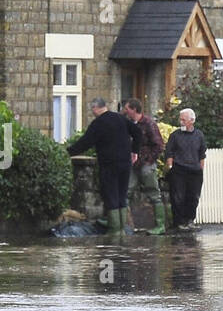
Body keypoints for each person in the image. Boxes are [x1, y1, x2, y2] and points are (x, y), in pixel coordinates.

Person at [67, 97, 140, 233]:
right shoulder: (120, 118)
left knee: (111, 195)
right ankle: (122, 231)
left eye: (92, 109)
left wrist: (67, 153)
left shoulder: (98, 124)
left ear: (95, 108)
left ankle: (114, 231)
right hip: (125, 163)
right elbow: (137, 132)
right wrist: (134, 151)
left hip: (109, 164)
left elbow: (84, 143)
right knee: (122, 195)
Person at [123, 98, 166, 234]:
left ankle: (160, 226)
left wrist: (149, 159)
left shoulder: (148, 124)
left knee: (153, 193)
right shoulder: (129, 123)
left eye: (127, 108)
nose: (125, 111)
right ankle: (123, 223)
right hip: (133, 163)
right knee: (126, 191)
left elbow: (159, 145)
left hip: (146, 163)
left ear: (134, 110)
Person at [164, 108, 207, 229]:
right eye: (180, 119)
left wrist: (200, 169)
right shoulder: (175, 135)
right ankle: (179, 222)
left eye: (184, 120)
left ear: (192, 121)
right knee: (178, 197)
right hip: (178, 170)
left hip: (195, 171)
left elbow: (202, 154)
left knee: (193, 197)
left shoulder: (199, 135)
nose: (181, 122)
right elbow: (169, 153)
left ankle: (190, 221)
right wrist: (171, 167)